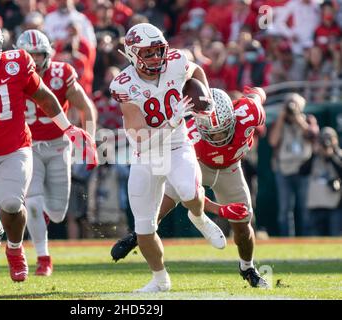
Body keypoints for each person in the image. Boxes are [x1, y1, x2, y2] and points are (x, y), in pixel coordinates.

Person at [0, 15, 96, 282]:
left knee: (11, 203)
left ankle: (14, 249)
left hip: (15, 149)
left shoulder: (17, 63)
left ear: (0, 44)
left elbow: (45, 97)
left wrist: (68, 127)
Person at [109, 23, 243, 293]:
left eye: (159, 51)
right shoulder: (123, 84)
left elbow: (197, 71)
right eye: (148, 53)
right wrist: (171, 121)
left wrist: (205, 99)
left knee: (189, 191)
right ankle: (160, 279)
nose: (156, 58)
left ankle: (198, 217)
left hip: (178, 143)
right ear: (133, 55)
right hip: (146, 153)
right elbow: (140, 137)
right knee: (144, 227)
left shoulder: (177, 60)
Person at [111, 86, 270, 288]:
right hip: (199, 164)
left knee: (243, 226)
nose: (219, 139)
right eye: (213, 135)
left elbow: (257, 96)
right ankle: (139, 235)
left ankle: (247, 267)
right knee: (159, 207)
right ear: (201, 128)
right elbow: (192, 194)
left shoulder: (250, 112)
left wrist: (256, 92)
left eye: (223, 132)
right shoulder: (191, 138)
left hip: (231, 169)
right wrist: (219, 209)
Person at [15, 29, 97, 276]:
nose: (33, 61)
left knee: (59, 214)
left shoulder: (62, 74)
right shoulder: (10, 76)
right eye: (28, 56)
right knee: (32, 203)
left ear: (47, 55)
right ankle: (43, 259)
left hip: (59, 145)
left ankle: (45, 218)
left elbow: (86, 107)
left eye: (37, 55)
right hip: (28, 146)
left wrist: (89, 139)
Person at [268, 93, 319, 236]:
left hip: (303, 169)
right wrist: (281, 117)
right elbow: (273, 141)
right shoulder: (280, 121)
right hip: (283, 169)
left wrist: (298, 120)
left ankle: (306, 238)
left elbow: (313, 137)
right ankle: (287, 238)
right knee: (285, 209)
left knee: (304, 207)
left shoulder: (308, 119)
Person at [302, 127, 342, 236]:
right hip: (315, 206)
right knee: (315, 241)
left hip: (334, 207)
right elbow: (302, 171)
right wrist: (315, 153)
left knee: (335, 241)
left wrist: (331, 157)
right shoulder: (315, 157)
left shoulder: (339, 155)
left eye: (329, 139)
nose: (326, 142)